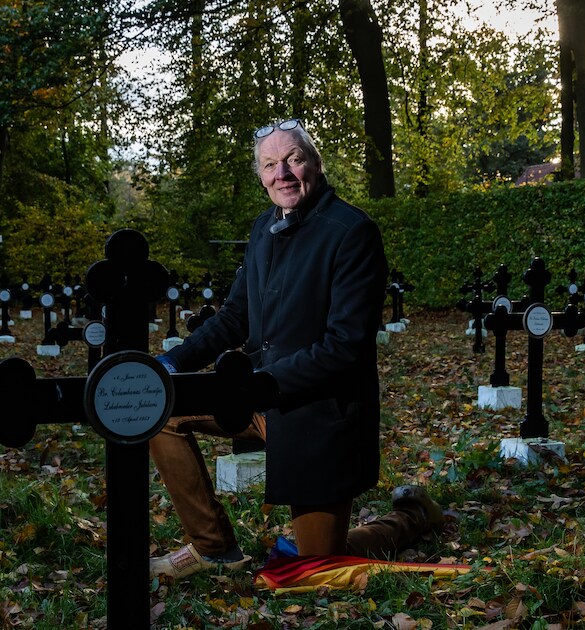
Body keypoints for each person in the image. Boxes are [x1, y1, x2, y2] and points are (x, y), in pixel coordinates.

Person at [149, 118, 442, 579]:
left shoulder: (352, 232)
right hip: (260, 398)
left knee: (317, 565)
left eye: (293, 159)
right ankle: (212, 548)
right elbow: (235, 316)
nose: (282, 173)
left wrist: (261, 386)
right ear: (261, 176)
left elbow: (343, 347)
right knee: (162, 410)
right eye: (270, 164)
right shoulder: (263, 228)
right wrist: (170, 363)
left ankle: (413, 516)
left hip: (319, 411)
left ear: (315, 165)